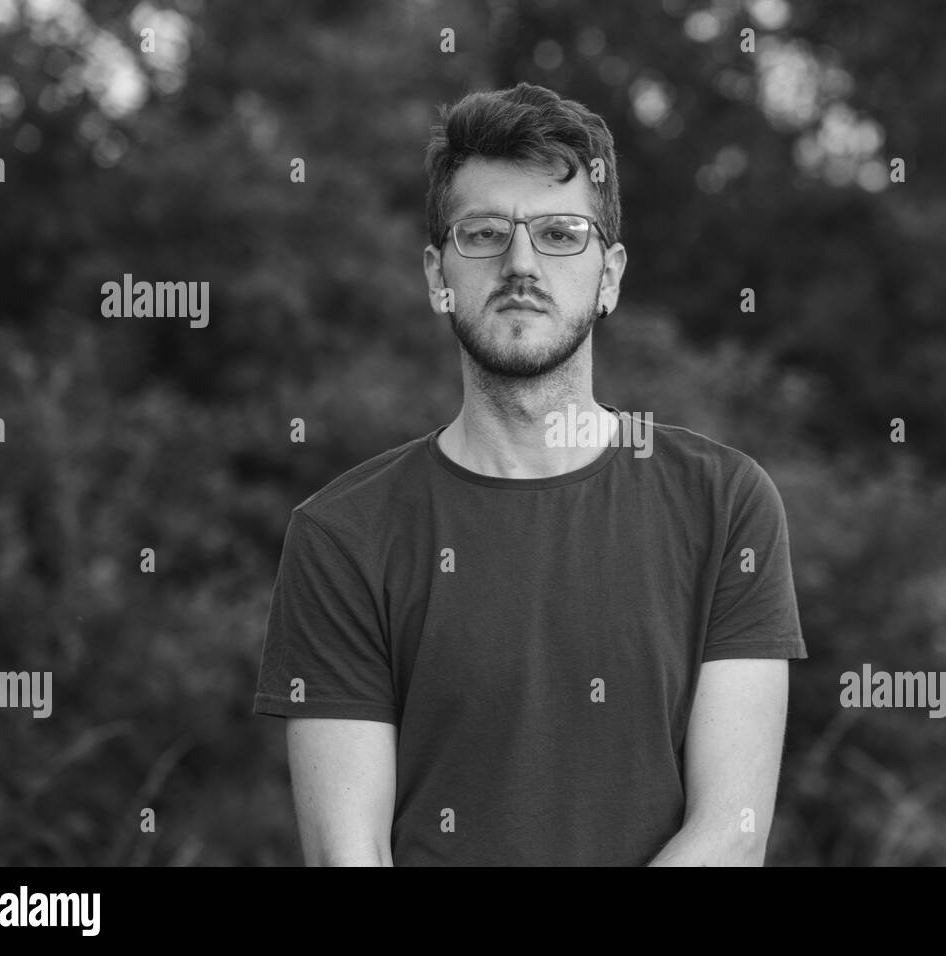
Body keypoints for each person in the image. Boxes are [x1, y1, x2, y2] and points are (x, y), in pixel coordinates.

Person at [253, 82, 807, 866]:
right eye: (482, 234)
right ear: (436, 273)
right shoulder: (341, 536)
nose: (520, 263)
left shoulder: (725, 504)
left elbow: (729, 838)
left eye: (559, 233)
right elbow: (350, 857)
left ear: (609, 275)